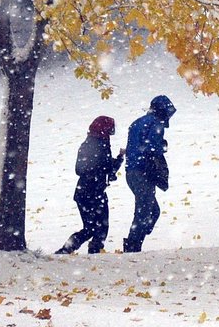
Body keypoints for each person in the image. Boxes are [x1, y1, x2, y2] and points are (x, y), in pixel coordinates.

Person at [55, 116, 124, 255]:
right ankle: (86, 251)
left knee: (92, 227)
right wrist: (102, 171)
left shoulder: (93, 143)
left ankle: (71, 250)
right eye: (110, 129)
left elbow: (105, 169)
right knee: (98, 227)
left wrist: (117, 160)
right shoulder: (98, 145)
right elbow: (82, 169)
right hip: (92, 192)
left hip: (87, 192)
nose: (111, 132)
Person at [123, 95, 176, 253]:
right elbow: (153, 148)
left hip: (131, 172)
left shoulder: (137, 123)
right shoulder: (155, 123)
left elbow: (135, 146)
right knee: (145, 210)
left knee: (151, 210)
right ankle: (133, 245)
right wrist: (163, 146)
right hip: (143, 171)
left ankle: (135, 241)